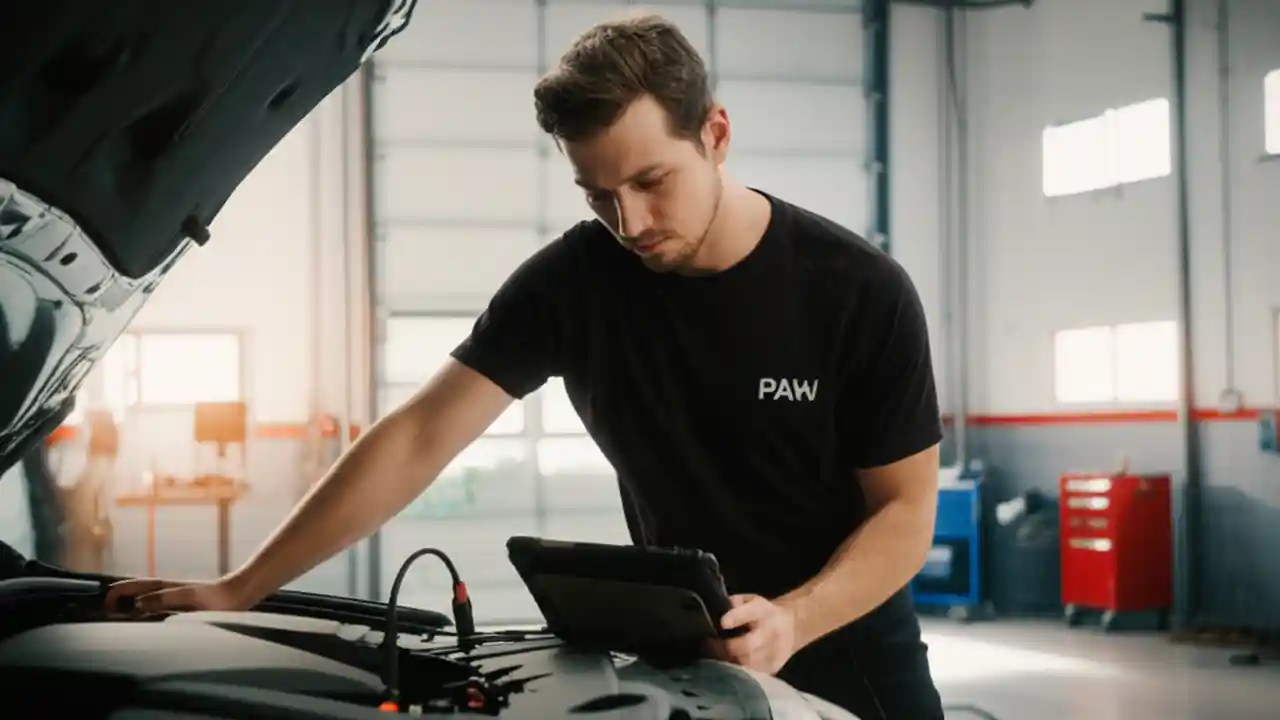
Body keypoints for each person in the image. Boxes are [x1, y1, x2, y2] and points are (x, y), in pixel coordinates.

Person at [105, 15, 944, 719]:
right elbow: (421, 435)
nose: (631, 221)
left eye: (653, 180)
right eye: (598, 193)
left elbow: (905, 514)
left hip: (852, 662)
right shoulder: (574, 282)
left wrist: (795, 619)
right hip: (692, 668)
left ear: (716, 135)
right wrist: (243, 586)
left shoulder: (857, 292)